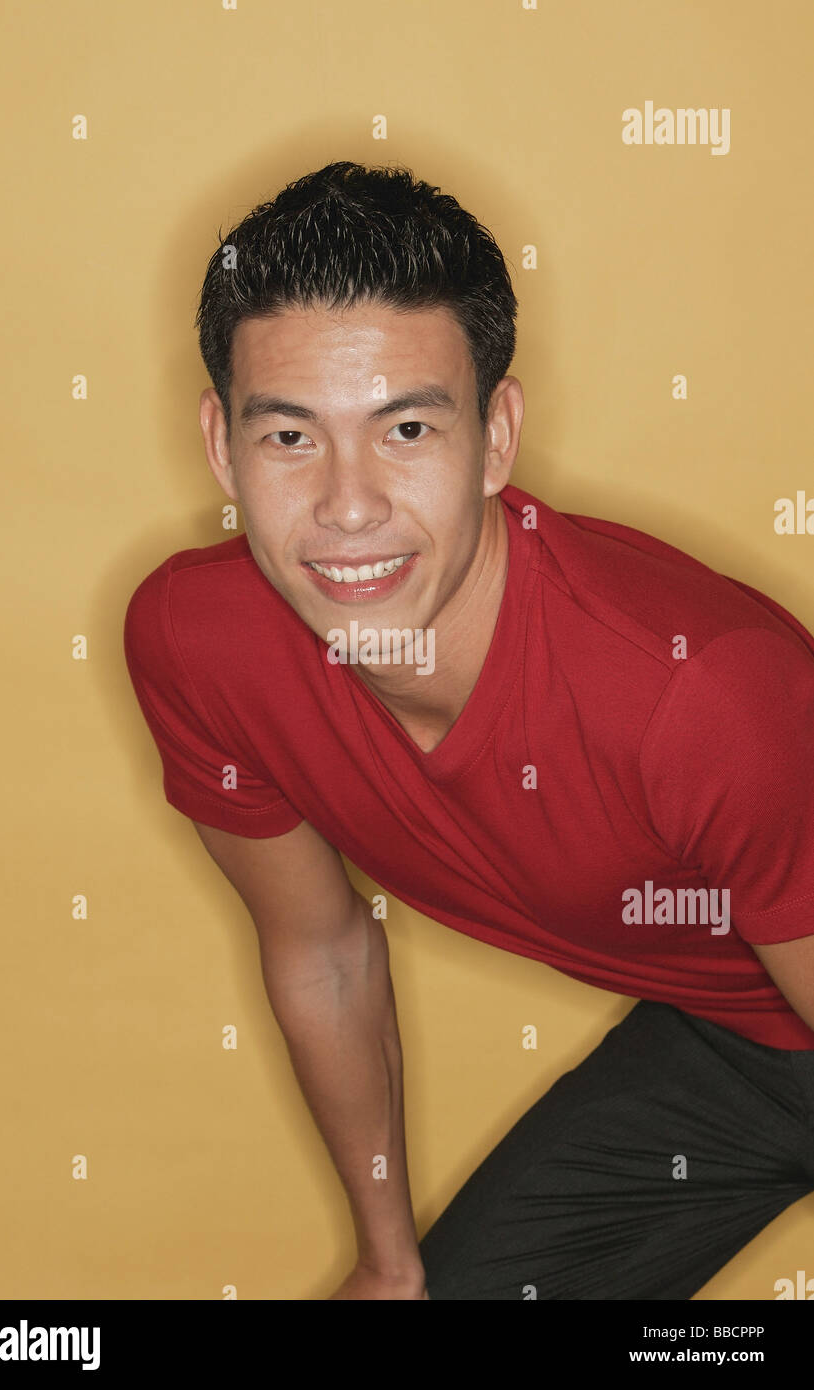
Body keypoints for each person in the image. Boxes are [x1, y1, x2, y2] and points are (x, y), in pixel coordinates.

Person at [123, 160, 814, 1300]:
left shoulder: (700, 693)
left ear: (496, 438)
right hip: (730, 1044)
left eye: (405, 428)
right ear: (220, 447)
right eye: (289, 438)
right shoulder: (197, 644)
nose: (347, 507)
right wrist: (392, 1265)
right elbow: (325, 952)